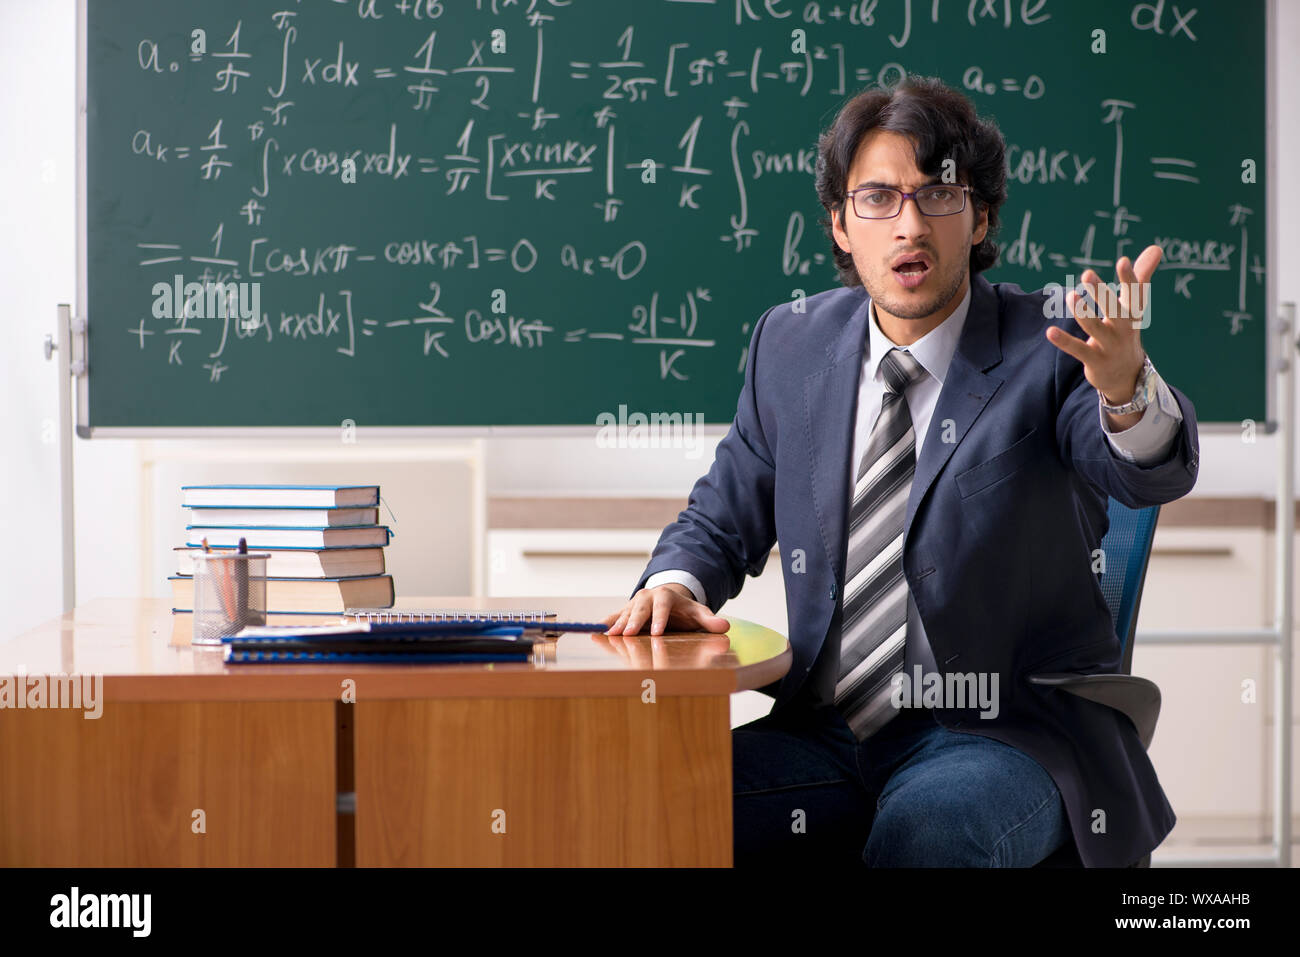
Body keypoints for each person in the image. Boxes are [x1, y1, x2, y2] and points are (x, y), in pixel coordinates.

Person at [601, 75, 1199, 868]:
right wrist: (675, 582)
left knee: (928, 833)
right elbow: (722, 512)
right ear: (842, 225)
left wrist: (1127, 391)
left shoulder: (1050, 348)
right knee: (642, 805)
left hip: (1005, 733)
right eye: (877, 198)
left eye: (938, 196)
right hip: (827, 733)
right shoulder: (790, 343)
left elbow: (1145, 473)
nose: (908, 225)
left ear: (980, 216)